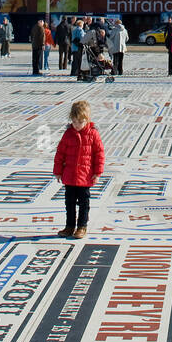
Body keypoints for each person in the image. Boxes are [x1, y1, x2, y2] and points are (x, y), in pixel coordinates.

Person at [53, 100, 105, 239]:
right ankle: (69, 226)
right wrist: (58, 171)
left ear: (87, 120)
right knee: (69, 203)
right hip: (69, 176)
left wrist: (97, 172)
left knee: (84, 203)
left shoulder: (93, 134)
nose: (76, 125)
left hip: (85, 177)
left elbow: (99, 154)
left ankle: (82, 226)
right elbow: (60, 154)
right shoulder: (68, 134)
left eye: (80, 122)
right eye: (74, 122)